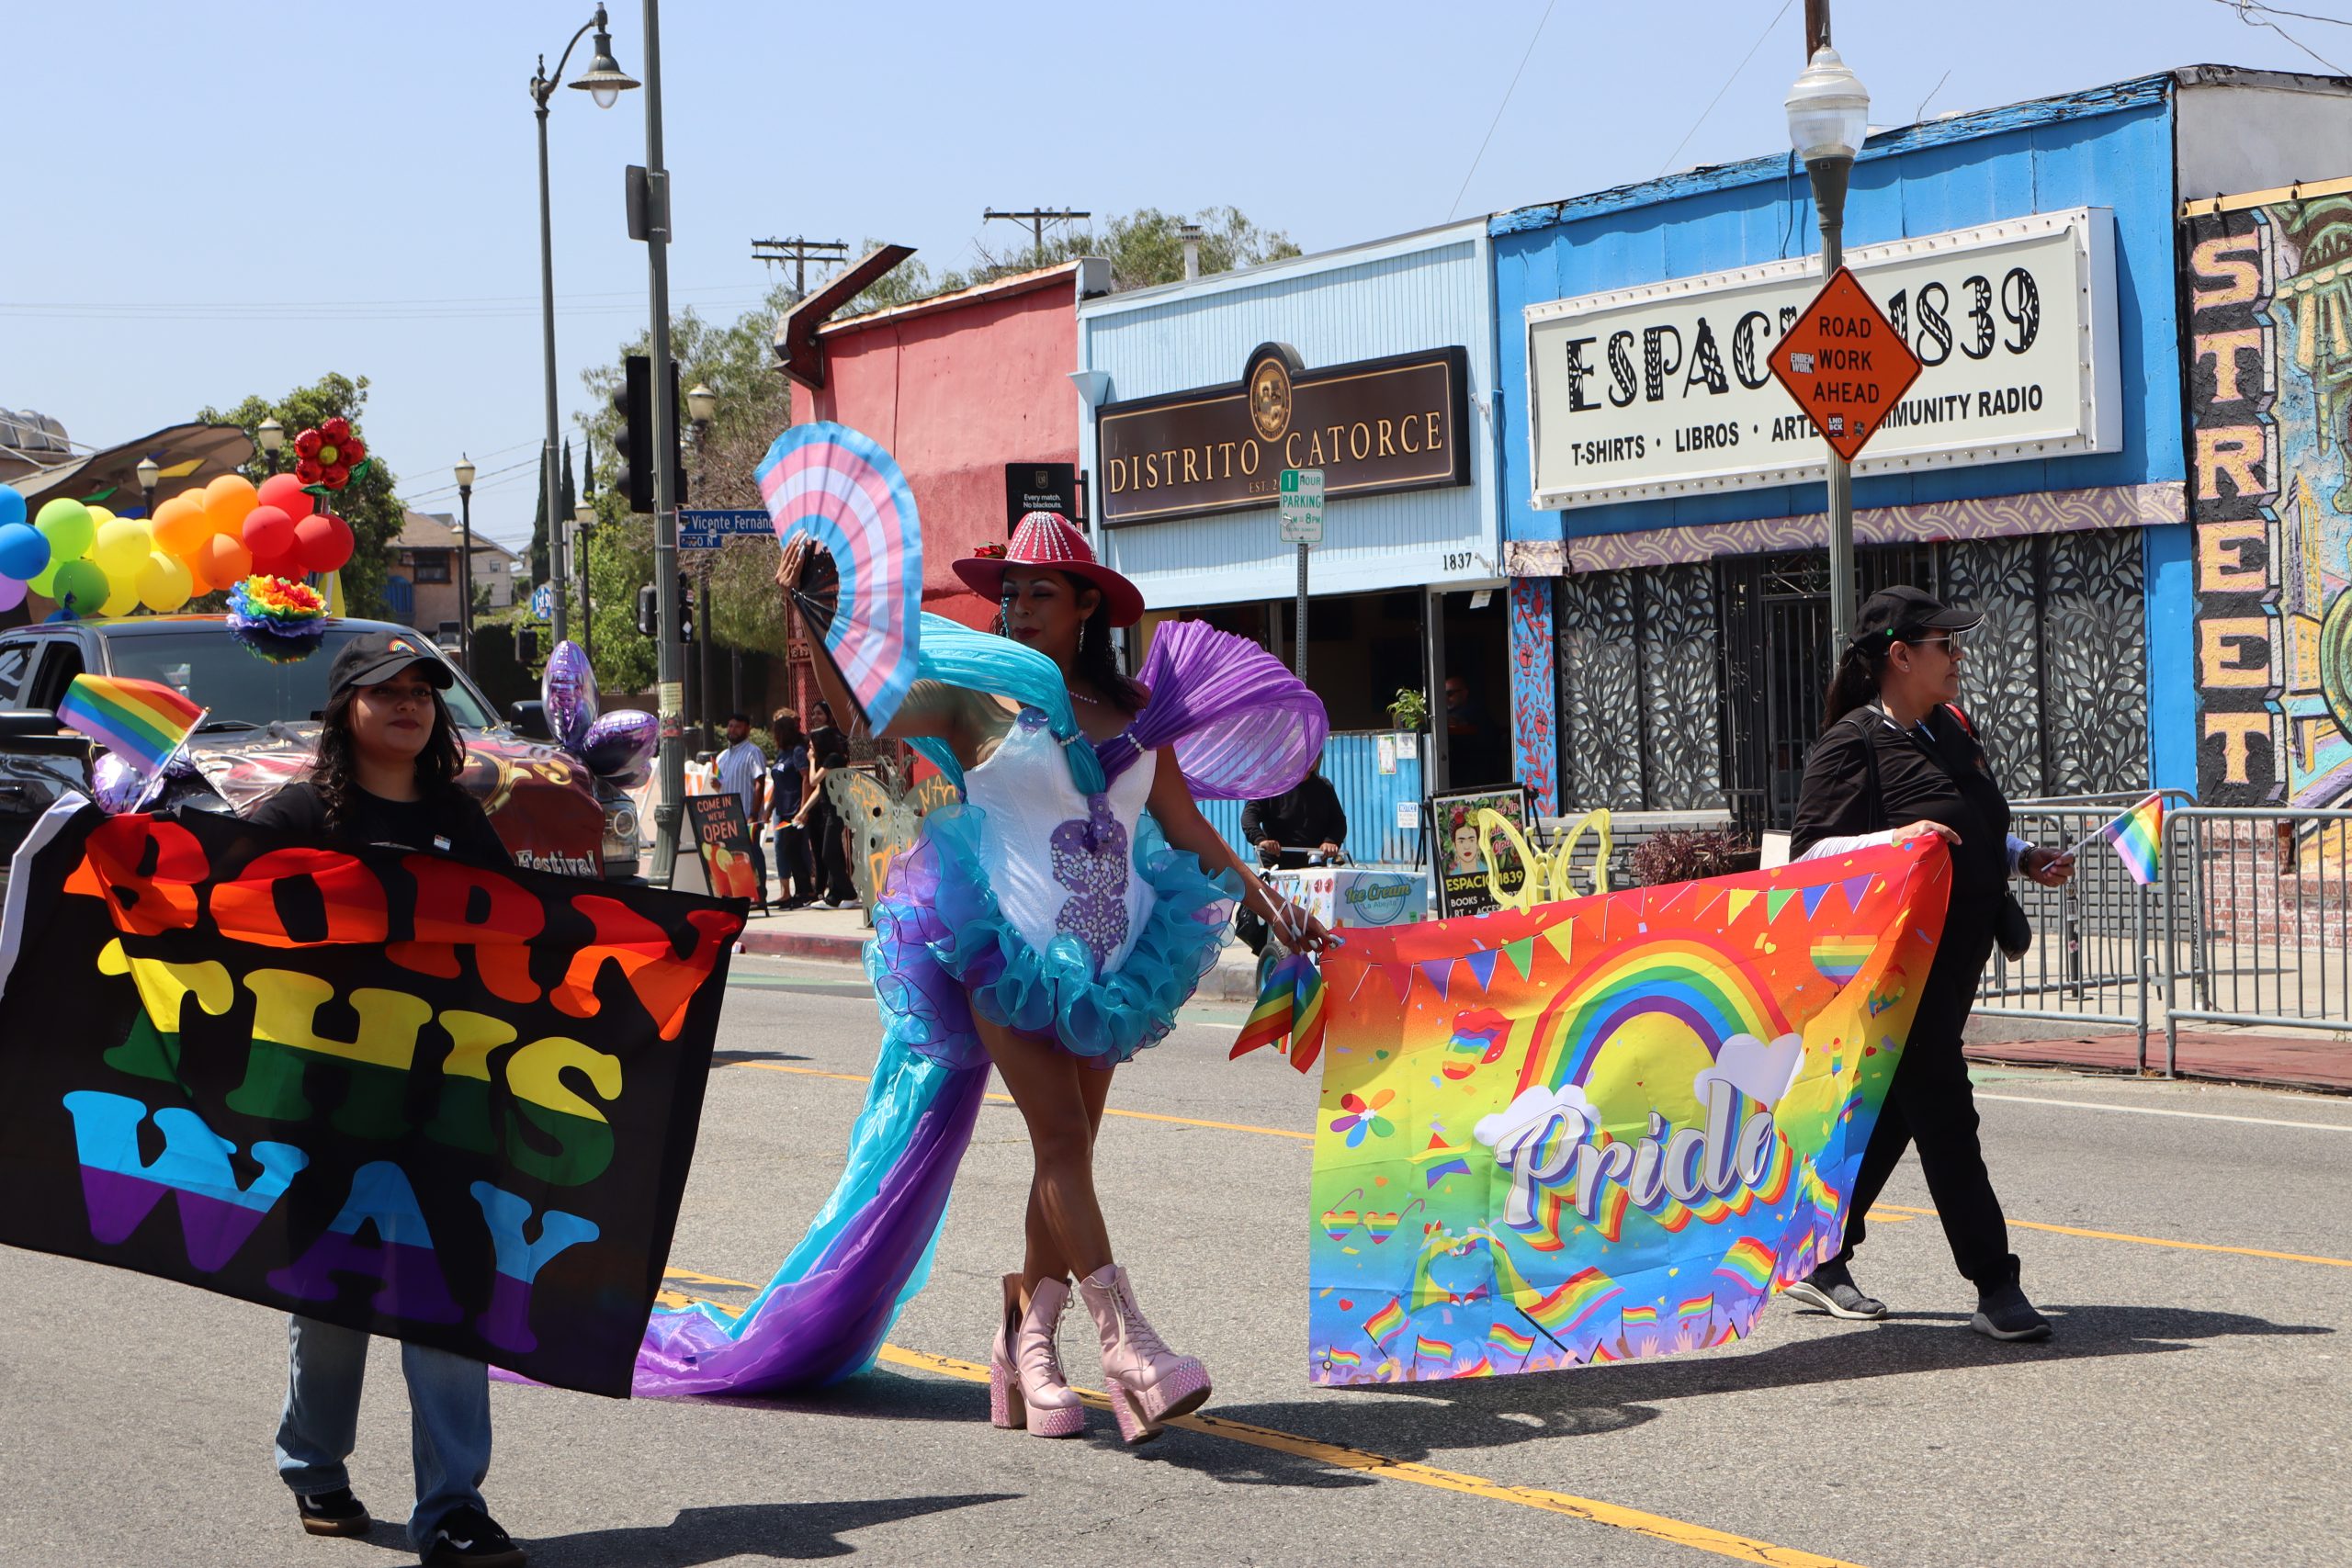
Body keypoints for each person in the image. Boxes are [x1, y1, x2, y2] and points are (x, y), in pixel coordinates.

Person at [631, 511, 1330, 1441]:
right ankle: (1131, 1349)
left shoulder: (1138, 719)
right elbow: (863, 715)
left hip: (1117, 966)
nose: (1018, 607)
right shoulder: (978, 703)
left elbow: (1189, 829)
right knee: (1062, 1147)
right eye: (1009, 593)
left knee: (1068, 1149)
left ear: (1088, 604)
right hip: (1003, 948)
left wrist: (1271, 900)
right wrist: (814, 615)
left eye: (1040, 591)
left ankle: (1022, 1347)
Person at [244, 631, 526, 1567]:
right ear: (345, 711)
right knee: (332, 1301)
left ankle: (452, 1506)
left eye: (422, 691)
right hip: (325, 1108)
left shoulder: (465, 820)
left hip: (448, 1103)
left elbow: (526, 945)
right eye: (385, 691)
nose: (408, 705)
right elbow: (226, 932)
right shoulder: (291, 819)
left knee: (450, 1298)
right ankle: (313, 1463)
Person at [1787, 586, 2075, 1343]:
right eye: (1946, 645)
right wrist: (1894, 842)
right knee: (1946, 1109)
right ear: (1900, 656)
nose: (1959, 657)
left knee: (1894, 1112)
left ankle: (1821, 1255)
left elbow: (1975, 823)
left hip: (1958, 958)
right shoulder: (1853, 743)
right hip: (1895, 972)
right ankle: (1996, 1283)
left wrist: (2023, 857)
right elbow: (1808, 853)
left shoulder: (1946, 726)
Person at [1242, 760, 1347, 869]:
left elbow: (1338, 822)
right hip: (1275, 869)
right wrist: (1261, 840)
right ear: (1291, 755)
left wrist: (1331, 841)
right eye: (1305, 754)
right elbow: (1249, 815)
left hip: (1315, 868)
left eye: (1314, 753)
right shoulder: (1271, 784)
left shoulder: (1324, 786)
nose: (1311, 759)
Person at [790, 746, 859, 908]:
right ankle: (835, 895)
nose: (810, 750)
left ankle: (850, 893)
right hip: (828, 811)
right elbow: (819, 789)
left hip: (837, 811)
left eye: (812, 746)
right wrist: (803, 811)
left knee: (828, 854)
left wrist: (812, 760)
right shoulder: (826, 762)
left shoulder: (832, 758)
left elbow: (814, 780)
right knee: (835, 854)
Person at [714, 711, 769, 905]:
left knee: (752, 854)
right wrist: (717, 785)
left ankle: (760, 893)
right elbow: (720, 782)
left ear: (747, 729)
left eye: (737, 726)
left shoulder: (753, 752)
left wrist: (754, 813)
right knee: (733, 858)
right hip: (728, 818)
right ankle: (738, 894)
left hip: (747, 814)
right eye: (730, 726)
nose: (732, 730)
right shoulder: (723, 756)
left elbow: (759, 782)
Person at [767, 708, 815, 908]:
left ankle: (805, 891)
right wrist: (769, 807)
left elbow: (806, 779)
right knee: (789, 850)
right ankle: (800, 890)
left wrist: (803, 808)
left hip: (795, 808)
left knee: (794, 849)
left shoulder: (797, 751)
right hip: (783, 808)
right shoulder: (782, 754)